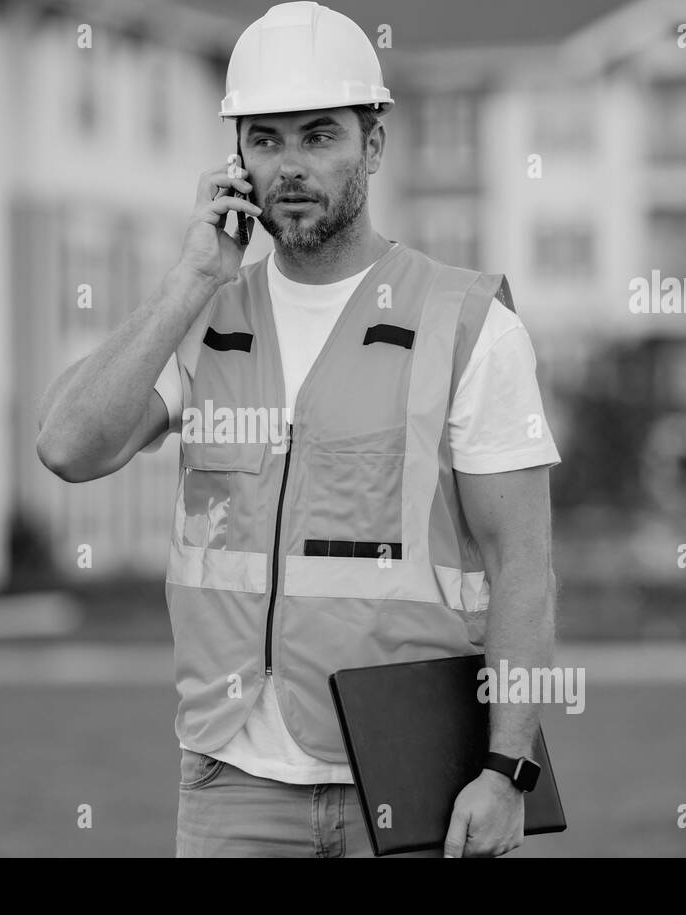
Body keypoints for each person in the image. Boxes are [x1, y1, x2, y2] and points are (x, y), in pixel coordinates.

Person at [37, 1, 559, 858]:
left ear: (375, 145)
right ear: (235, 156)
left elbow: (524, 565)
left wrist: (508, 770)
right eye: (267, 140)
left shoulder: (467, 323)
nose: (291, 166)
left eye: (319, 137)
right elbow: (67, 446)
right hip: (228, 783)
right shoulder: (203, 320)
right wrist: (190, 279)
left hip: (412, 775)